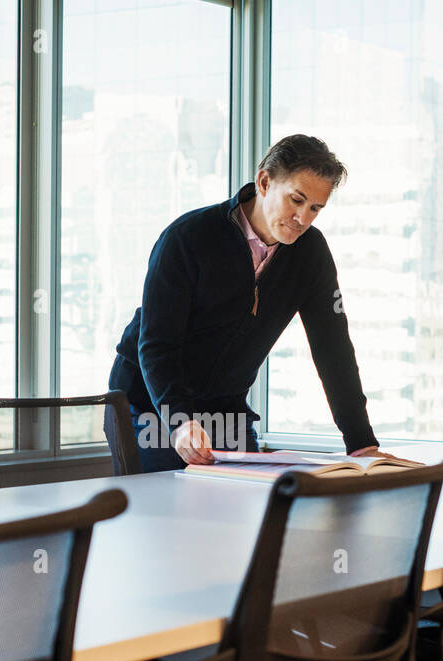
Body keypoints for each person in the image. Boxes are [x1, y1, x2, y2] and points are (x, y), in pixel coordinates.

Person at [106, 134, 394, 472]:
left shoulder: (310, 254)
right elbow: (156, 344)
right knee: (164, 506)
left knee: (246, 507)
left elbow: (334, 350)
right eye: (296, 200)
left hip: (226, 408)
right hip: (149, 403)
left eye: (315, 208)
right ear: (264, 182)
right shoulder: (189, 237)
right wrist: (180, 421)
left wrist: (361, 443)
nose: (303, 217)